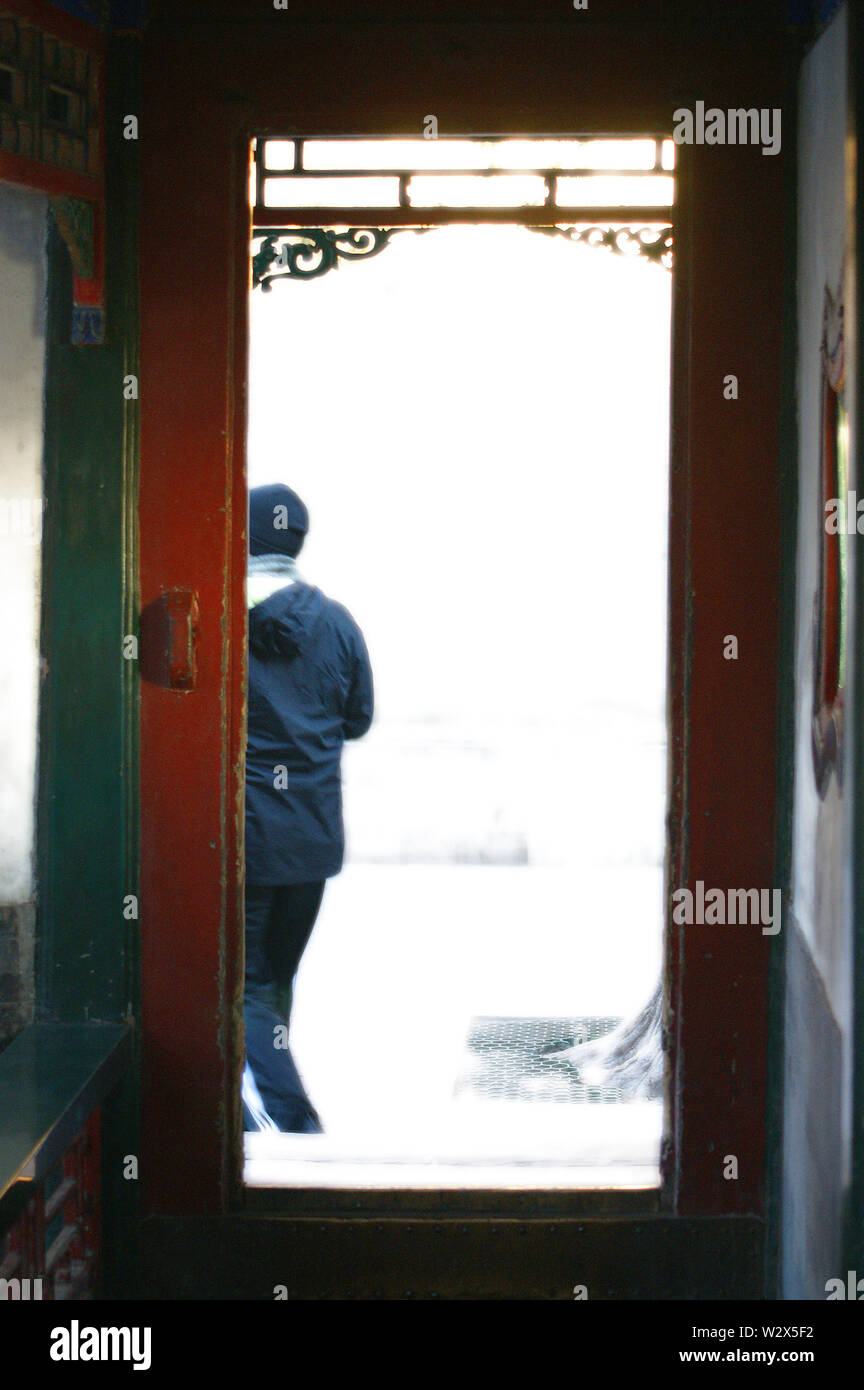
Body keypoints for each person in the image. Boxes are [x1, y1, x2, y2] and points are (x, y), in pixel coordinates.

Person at [242, 483, 374, 1133]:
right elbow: (359, 720)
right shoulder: (339, 622)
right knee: (273, 983)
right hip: (314, 841)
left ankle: (293, 1120)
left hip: (251, 839)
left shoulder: (224, 622)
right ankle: (242, 1105)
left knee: (242, 987)